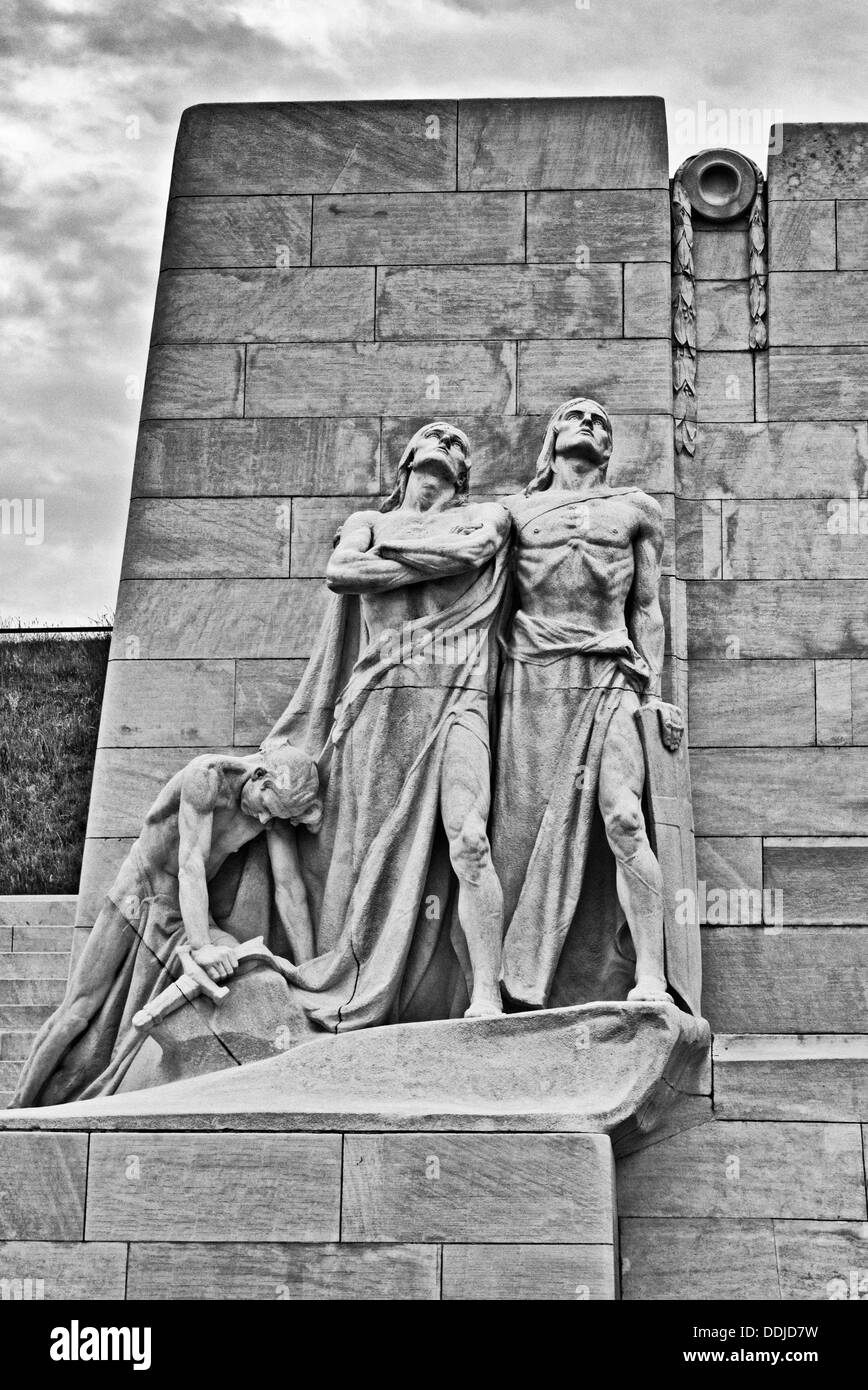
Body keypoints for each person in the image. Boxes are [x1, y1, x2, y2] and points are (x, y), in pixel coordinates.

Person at [260, 421, 512, 1028]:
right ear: (407, 460)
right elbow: (342, 574)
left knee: (470, 836)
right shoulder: (364, 523)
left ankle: (488, 995)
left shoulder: (488, 515)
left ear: (465, 474)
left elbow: (475, 552)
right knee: (368, 855)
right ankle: (364, 985)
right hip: (380, 702)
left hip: (459, 697)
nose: (446, 445)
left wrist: (390, 551)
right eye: (435, 437)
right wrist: (427, 557)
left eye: (457, 445)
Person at [490, 397, 695, 1014]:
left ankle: (652, 981)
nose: (589, 425)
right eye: (577, 417)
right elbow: (469, 589)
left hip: (613, 673)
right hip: (532, 680)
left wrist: (654, 695)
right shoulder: (516, 513)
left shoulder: (636, 510)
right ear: (551, 437)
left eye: (602, 421)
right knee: (518, 835)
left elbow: (649, 608)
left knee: (624, 819)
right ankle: (512, 983)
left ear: (609, 448)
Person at [12, 742, 322, 1106]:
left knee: (249, 972)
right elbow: (191, 863)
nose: (267, 822)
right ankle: (17, 1109)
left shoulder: (273, 808)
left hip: (189, 912)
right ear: (258, 778)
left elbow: (289, 888)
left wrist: (307, 973)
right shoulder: (205, 778)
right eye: (268, 810)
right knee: (79, 1009)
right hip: (139, 892)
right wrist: (202, 946)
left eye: (277, 817)